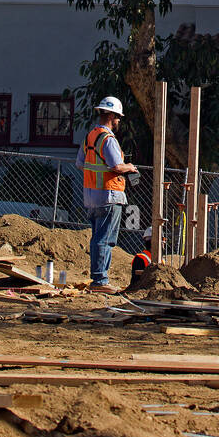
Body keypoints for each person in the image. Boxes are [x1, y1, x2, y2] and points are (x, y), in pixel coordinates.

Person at [76, 95, 138, 294]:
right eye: (118, 117)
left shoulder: (89, 137)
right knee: (105, 239)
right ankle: (100, 281)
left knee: (98, 238)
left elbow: (80, 163)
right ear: (111, 115)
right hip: (109, 196)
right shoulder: (108, 139)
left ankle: (99, 279)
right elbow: (116, 166)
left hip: (91, 196)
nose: (119, 120)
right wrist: (129, 166)